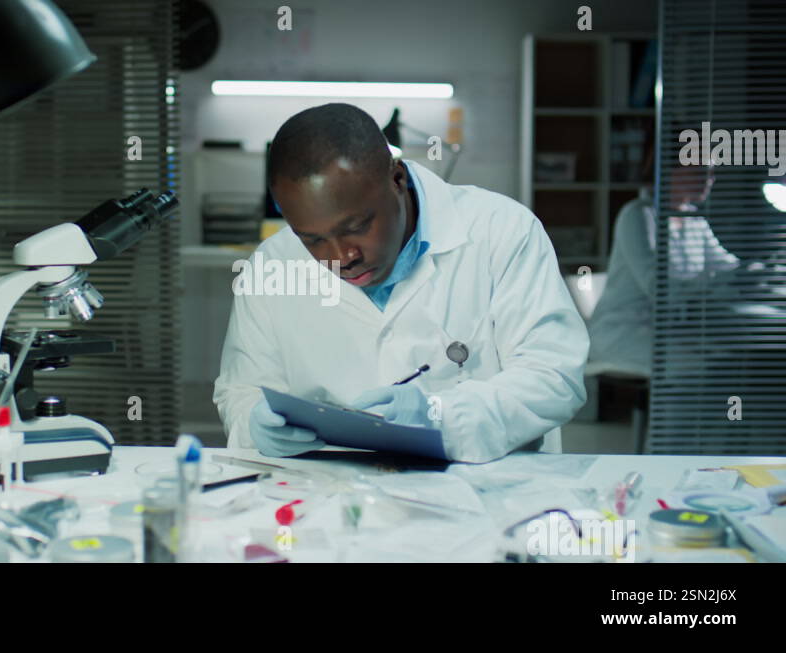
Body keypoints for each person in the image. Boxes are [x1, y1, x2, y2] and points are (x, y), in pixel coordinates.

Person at [212, 103, 588, 463]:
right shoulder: (272, 264)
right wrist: (254, 424)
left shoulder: (501, 231)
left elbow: (553, 378)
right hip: (332, 495)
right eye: (313, 239)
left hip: (485, 491)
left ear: (397, 178)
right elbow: (241, 390)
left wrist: (441, 415)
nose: (342, 257)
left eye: (357, 227)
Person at [588, 166, 740, 377]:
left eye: (712, 173)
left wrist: (757, 270)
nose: (710, 179)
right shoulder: (638, 214)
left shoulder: (694, 219)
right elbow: (659, 288)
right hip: (626, 333)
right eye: (701, 172)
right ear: (672, 171)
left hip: (672, 331)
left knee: (732, 357)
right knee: (710, 367)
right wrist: (715, 284)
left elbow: (726, 266)